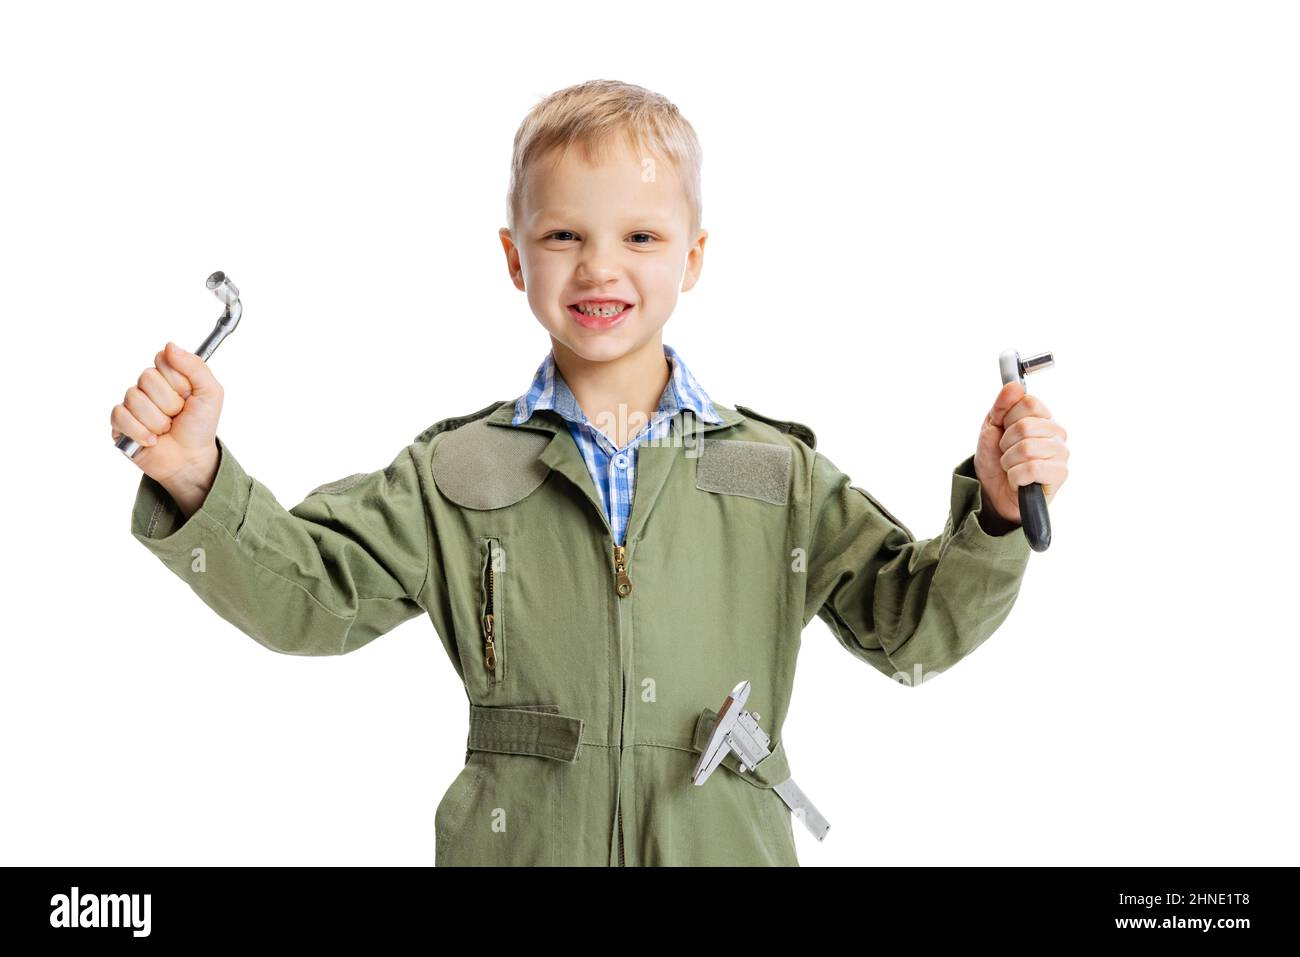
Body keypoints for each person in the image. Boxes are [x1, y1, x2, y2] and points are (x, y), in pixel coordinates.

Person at [111, 79, 1070, 866]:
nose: (600, 267)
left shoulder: (776, 475)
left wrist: (992, 513)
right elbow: (310, 598)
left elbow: (910, 631)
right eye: (564, 235)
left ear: (692, 258)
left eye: (641, 237)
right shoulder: (456, 471)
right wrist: (199, 477)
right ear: (513, 255)